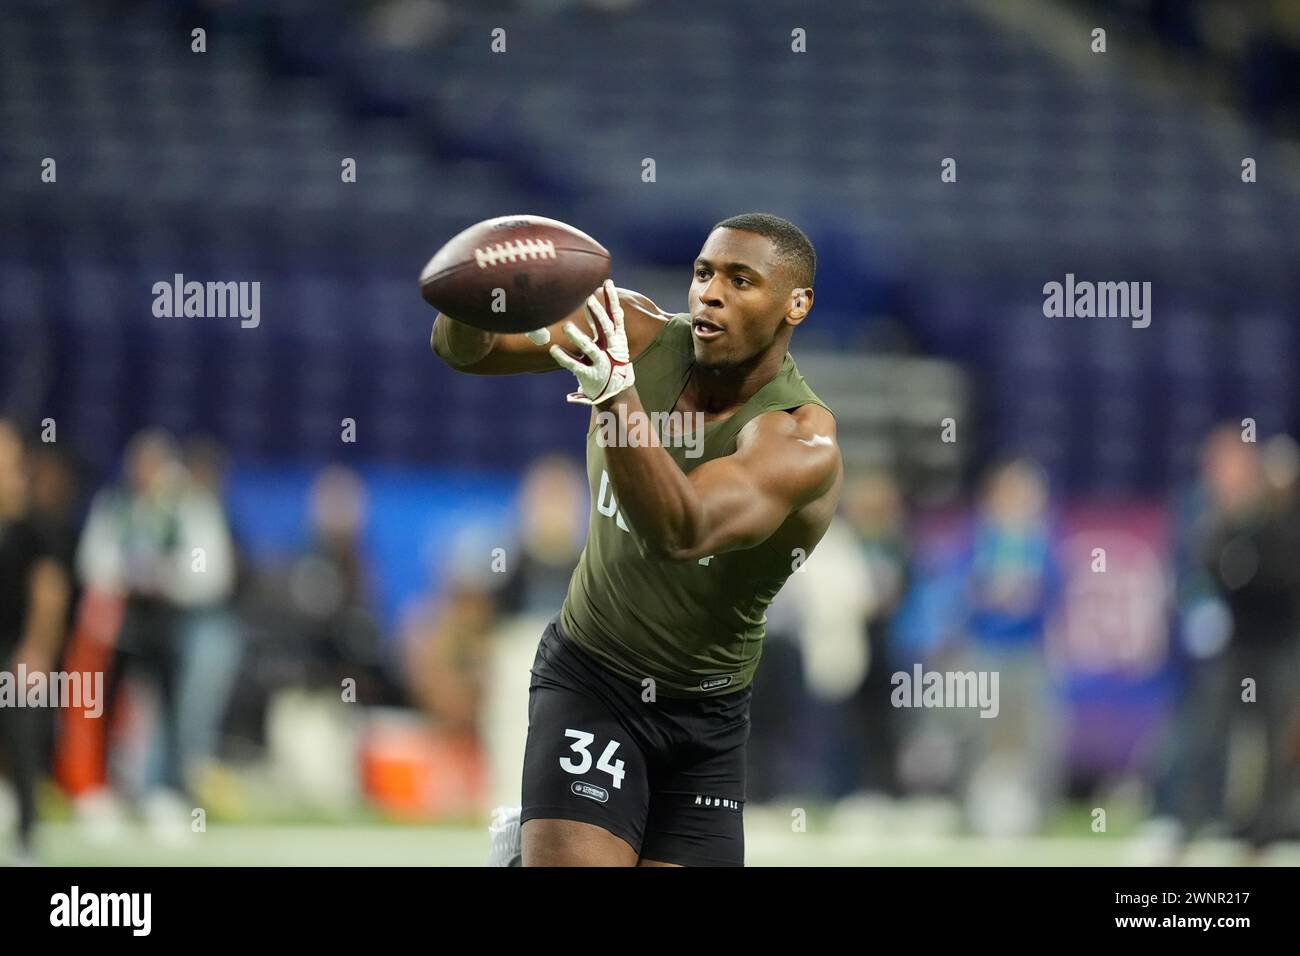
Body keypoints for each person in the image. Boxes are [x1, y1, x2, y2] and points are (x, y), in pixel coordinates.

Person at [431, 212, 843, 866]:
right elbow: (467, 351)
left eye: (742, 281)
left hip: (708, 719)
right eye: (704, 273)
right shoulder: (633, 331)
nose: (711, 293)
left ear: (797, 304)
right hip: (594, 679)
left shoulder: (800, 440)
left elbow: (684, 529)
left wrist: (617, 397)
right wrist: (480, 293)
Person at [0, 421, 70, 862]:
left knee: (23, 730)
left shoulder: (34, 524)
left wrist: (36, 652)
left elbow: (50, 592)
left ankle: (28, 835)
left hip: (16, 647)